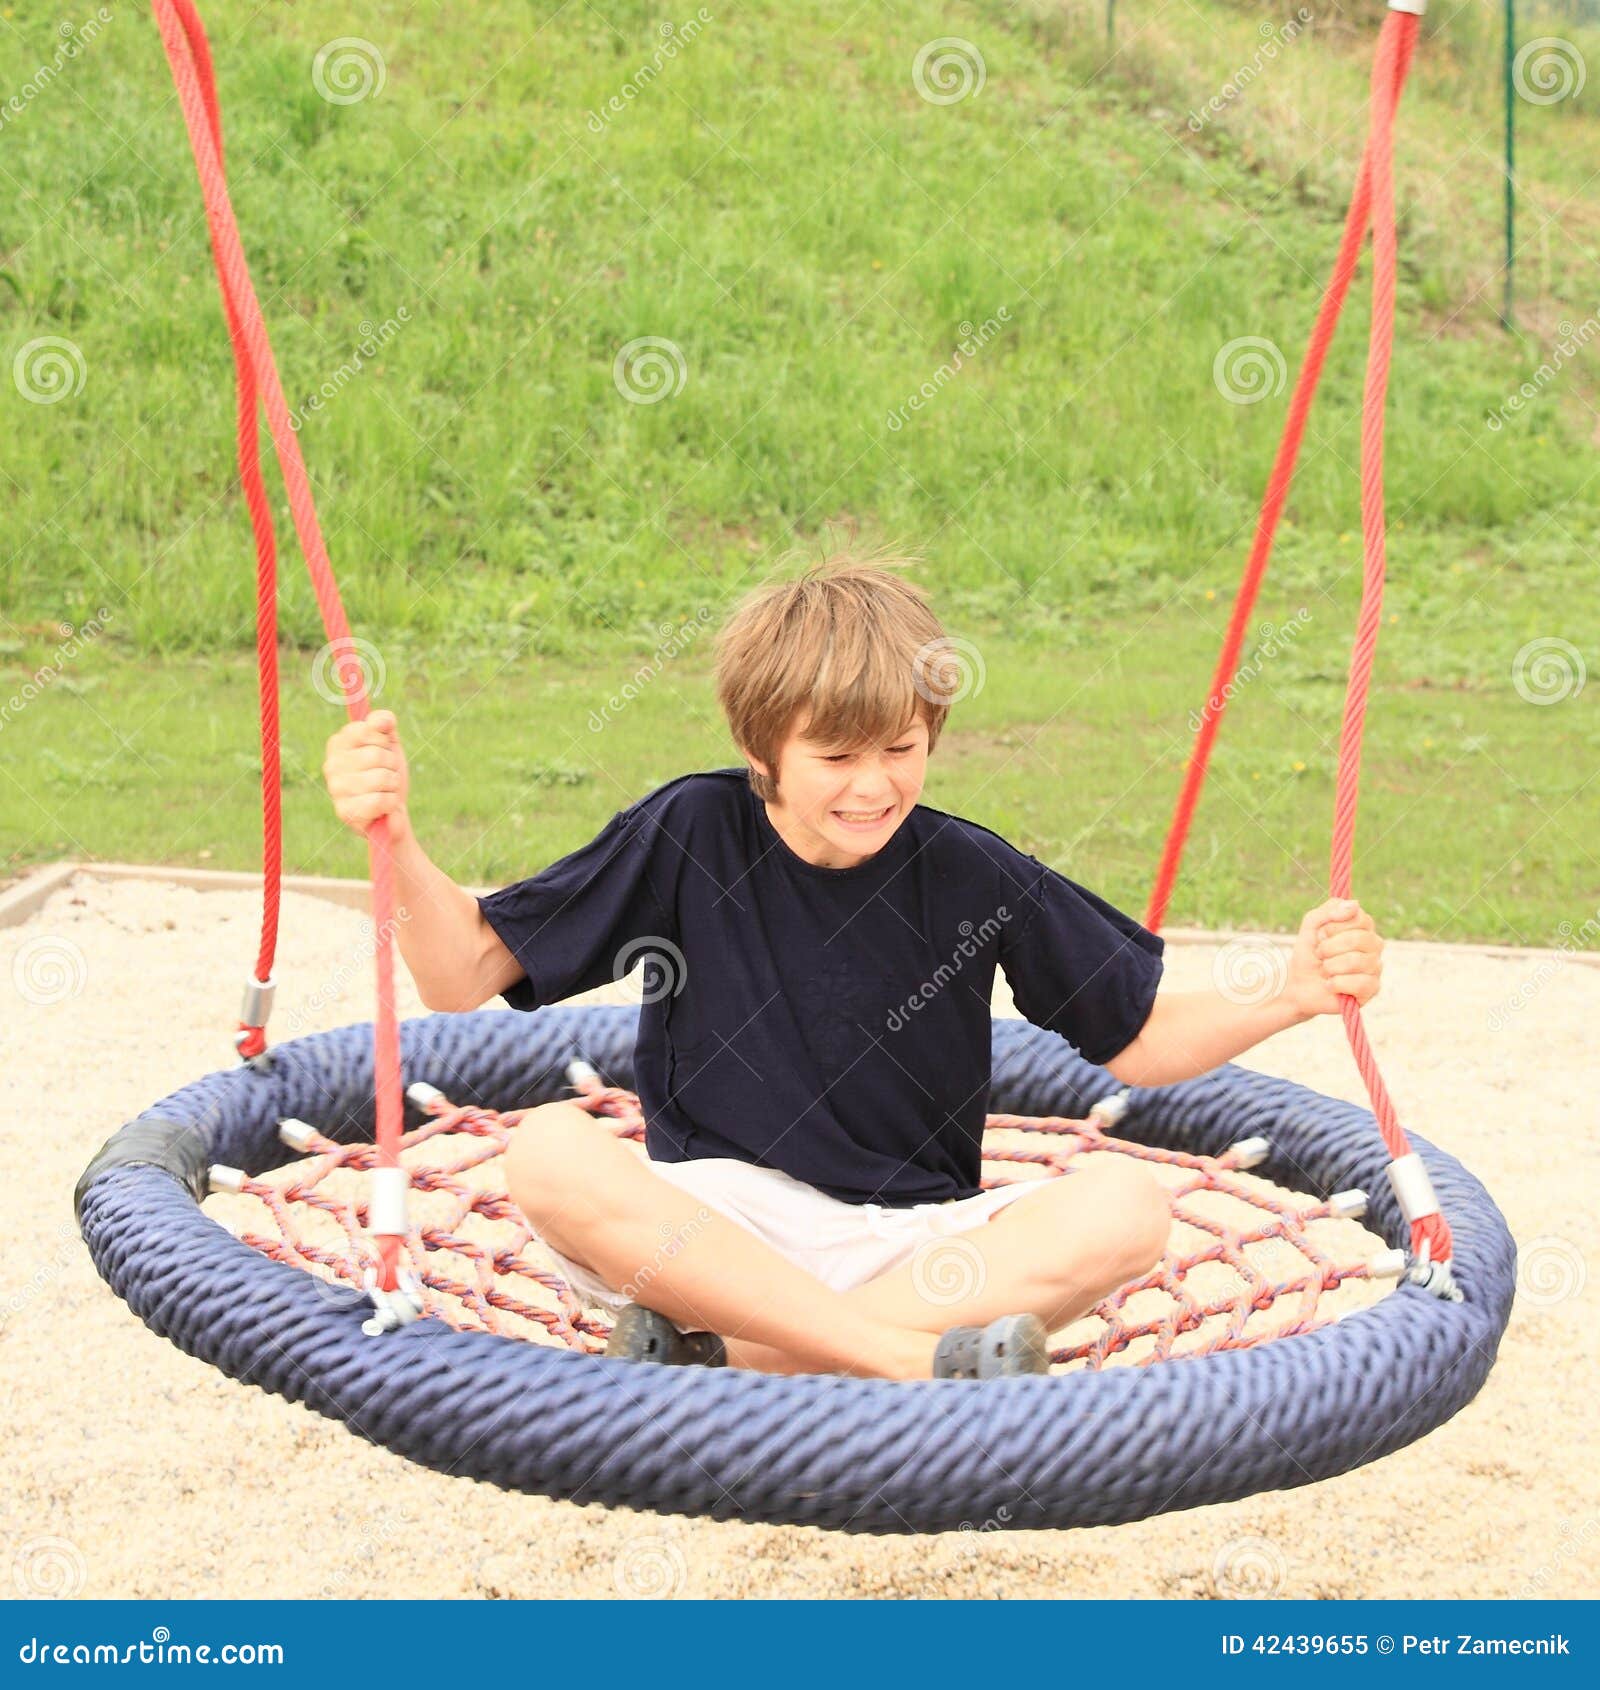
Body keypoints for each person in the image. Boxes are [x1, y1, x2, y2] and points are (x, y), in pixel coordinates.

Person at [322, 557, 1383, 1381]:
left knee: (1126, 1206)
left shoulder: (969, 870)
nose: (874, 786)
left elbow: (1141, 1041)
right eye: (836, 757)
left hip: (918, 1249)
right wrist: (398, 837)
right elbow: (462, 971)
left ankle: (749, 1360)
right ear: (762, 748)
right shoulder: (690, 832)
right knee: (550, 1147)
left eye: (901, 749)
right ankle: (890, 1361)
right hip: (712, 1234)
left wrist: (1288, 991)